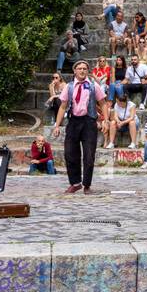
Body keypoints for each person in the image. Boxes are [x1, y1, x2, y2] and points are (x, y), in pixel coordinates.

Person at [52, 61, 108, 194]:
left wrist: (106, 120)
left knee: (89, 155)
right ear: (75, 71)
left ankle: (87, 185)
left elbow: (103, 103)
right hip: (73, 122)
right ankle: (75, 183)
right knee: (70, 153)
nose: (82, 71)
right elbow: (63, 106)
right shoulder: (69, 87)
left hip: (89, 122)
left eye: (84, 69)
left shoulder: (94, 86)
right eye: (79, 69)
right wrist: (57, 125)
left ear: (88, 71)